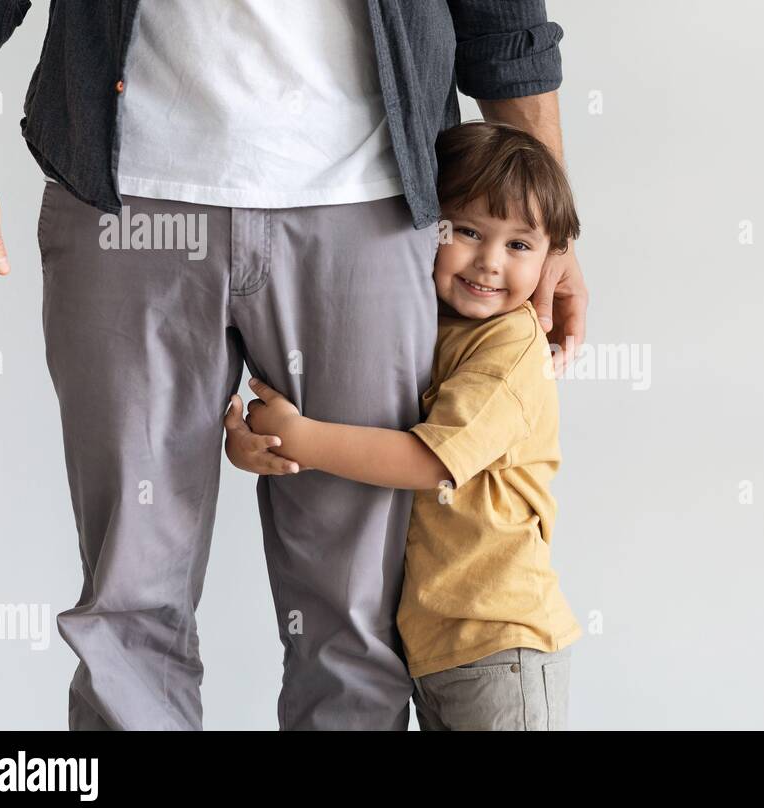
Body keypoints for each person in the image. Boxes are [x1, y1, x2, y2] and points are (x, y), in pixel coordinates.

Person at [0, 0, 589, 731]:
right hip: (124, 192)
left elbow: (501, 16)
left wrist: (548, 226)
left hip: (368, 200)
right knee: (127, 601)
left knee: (353, 622)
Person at [229, 121, 582, 730]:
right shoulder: (424, 324)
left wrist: (306, 439)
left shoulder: (513, 346)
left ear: (554, 258)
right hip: (437, 647)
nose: (490, 262)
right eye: (467, 231)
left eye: (519, 245)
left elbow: (429, 460)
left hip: (502, 642)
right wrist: (255, 438)